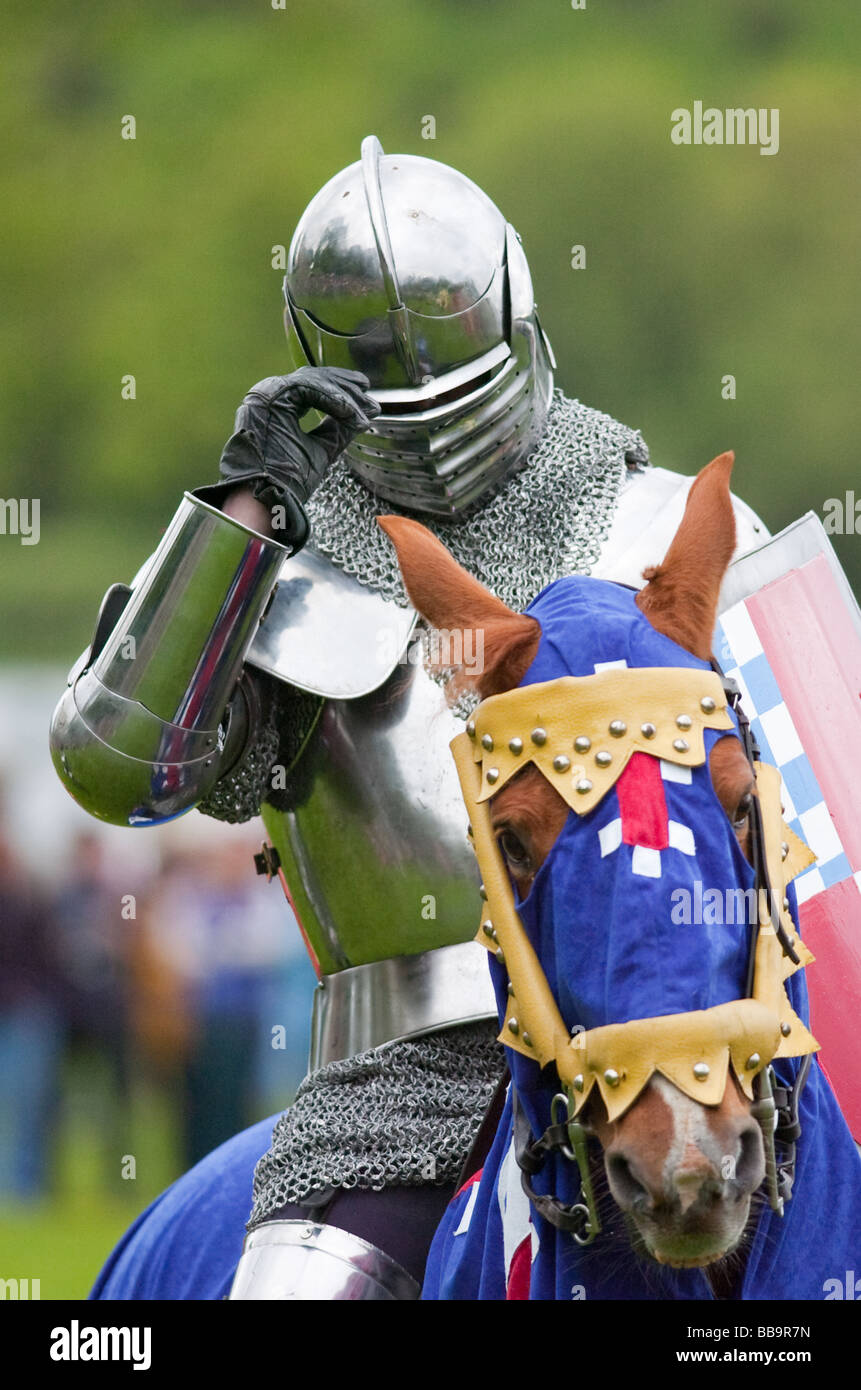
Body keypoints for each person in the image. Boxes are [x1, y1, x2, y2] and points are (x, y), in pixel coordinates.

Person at [51, 136, 766, 1300]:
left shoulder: (670, 532)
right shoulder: (281, 582)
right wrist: (240, 517)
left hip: (689, 1027)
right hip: (408, 1073)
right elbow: (114, 772)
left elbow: (811, 805)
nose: (438, 430)